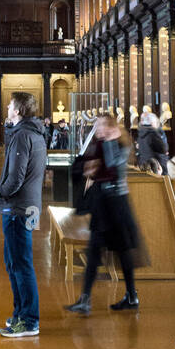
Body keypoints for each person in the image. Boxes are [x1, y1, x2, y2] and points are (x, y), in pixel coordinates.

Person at [65, 113, 144, 315]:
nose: (97, 129)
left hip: (116, 205)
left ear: (111, 127)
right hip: (103, 204)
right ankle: (86, 299)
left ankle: (131, 296)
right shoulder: (101, 143)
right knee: (94, 251)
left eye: (101, 125)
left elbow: (111, 167)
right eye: (97, 125)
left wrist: (105, 146)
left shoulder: (121, 144)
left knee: (123, 252)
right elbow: (88, 164)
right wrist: (86, 167)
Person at [0, 91, 47, 337]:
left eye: (10, 106)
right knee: (14, 262)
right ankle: (20, 314)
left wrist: (1, 192)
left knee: (20, 264)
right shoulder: (33, 133)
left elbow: (15, 177)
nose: (7, 108)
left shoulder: (22, 136)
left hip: (18, 207)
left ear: (17, 110)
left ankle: (28, 320)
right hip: (29, 205)